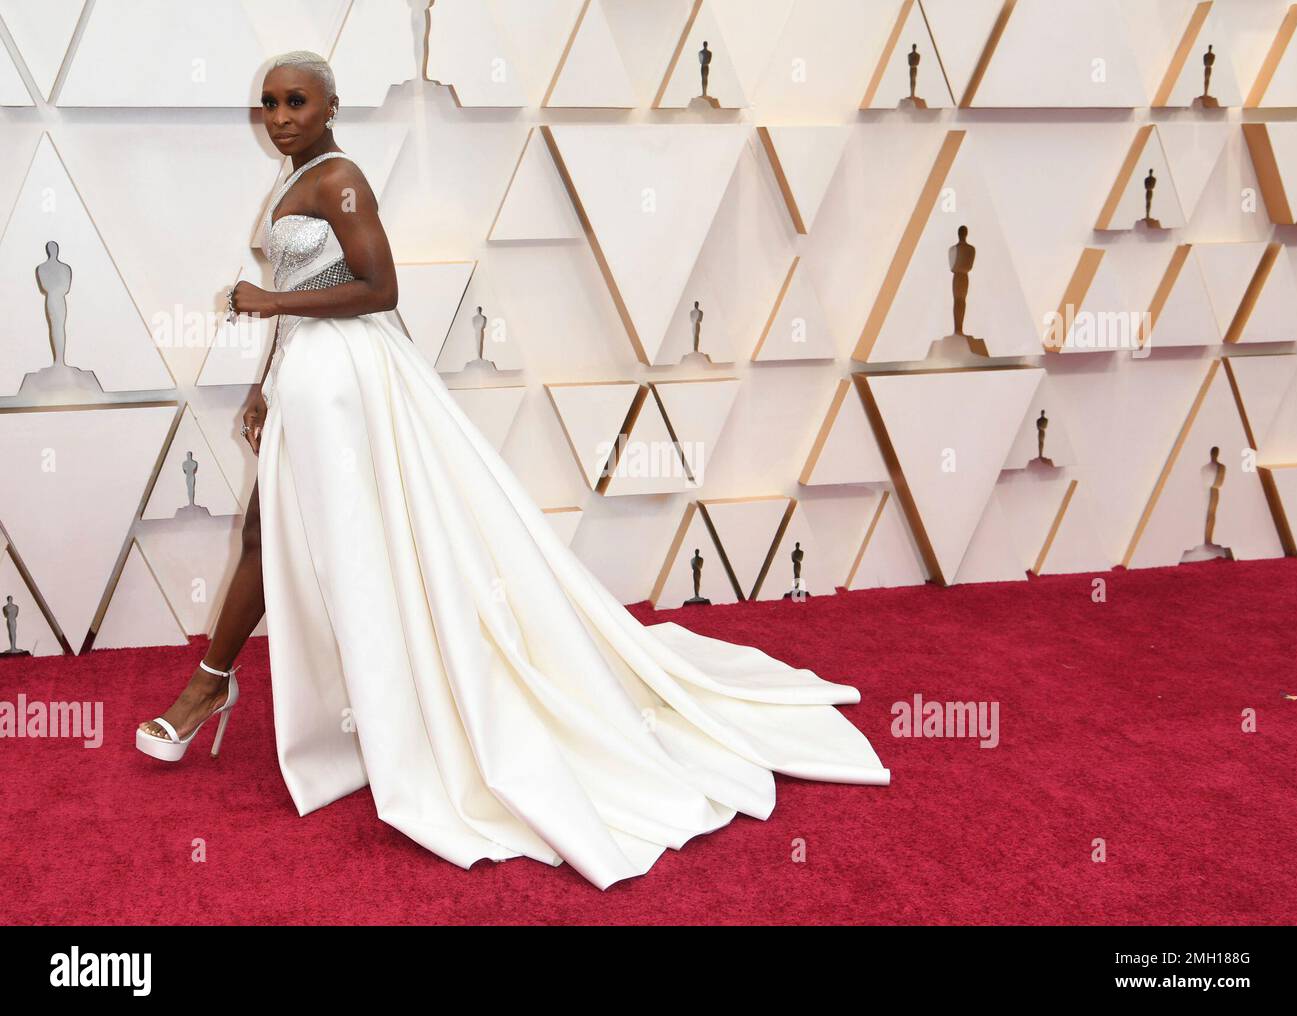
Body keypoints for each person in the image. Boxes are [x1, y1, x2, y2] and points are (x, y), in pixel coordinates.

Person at [136, 50, 890, 890]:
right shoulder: (290, 182)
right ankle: (223, 684)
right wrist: (261, 383)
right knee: (268, 528)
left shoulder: (341, 182)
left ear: (332, 106)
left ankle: (274, 690)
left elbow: (380, 288)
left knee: (333, 532)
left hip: (351, 382)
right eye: (268, 103)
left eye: (296, 102)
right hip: (307, 380)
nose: (279, 116)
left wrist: (271, 305)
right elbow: (305, 280)